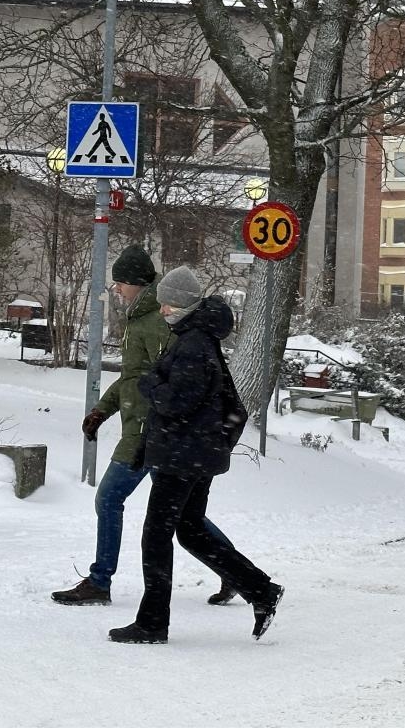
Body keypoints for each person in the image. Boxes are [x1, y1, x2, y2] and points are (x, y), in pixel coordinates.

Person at [108, 265, 283, 644]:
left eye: (169, 304)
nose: (164, 311)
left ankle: (153, 623)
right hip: (195, 453)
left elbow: (176, 402)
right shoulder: (198, 337)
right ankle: (261, 590)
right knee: (189, 530)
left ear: (183, 304)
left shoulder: (193, 345)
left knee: (156, 536)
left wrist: (150, 382)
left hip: (181, 456)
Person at [51, 246, 233, 607]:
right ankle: (234, 573)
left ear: (136, 283)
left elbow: (168, 381)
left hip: (150, 432)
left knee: (109, 498)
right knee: (185, 518)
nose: (116, 289)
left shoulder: (156, 322)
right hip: (145, 427)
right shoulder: (141, 318)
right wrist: (103, 410)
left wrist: (153, 425)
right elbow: (135, 377)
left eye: (120, 283)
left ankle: (100, 581)